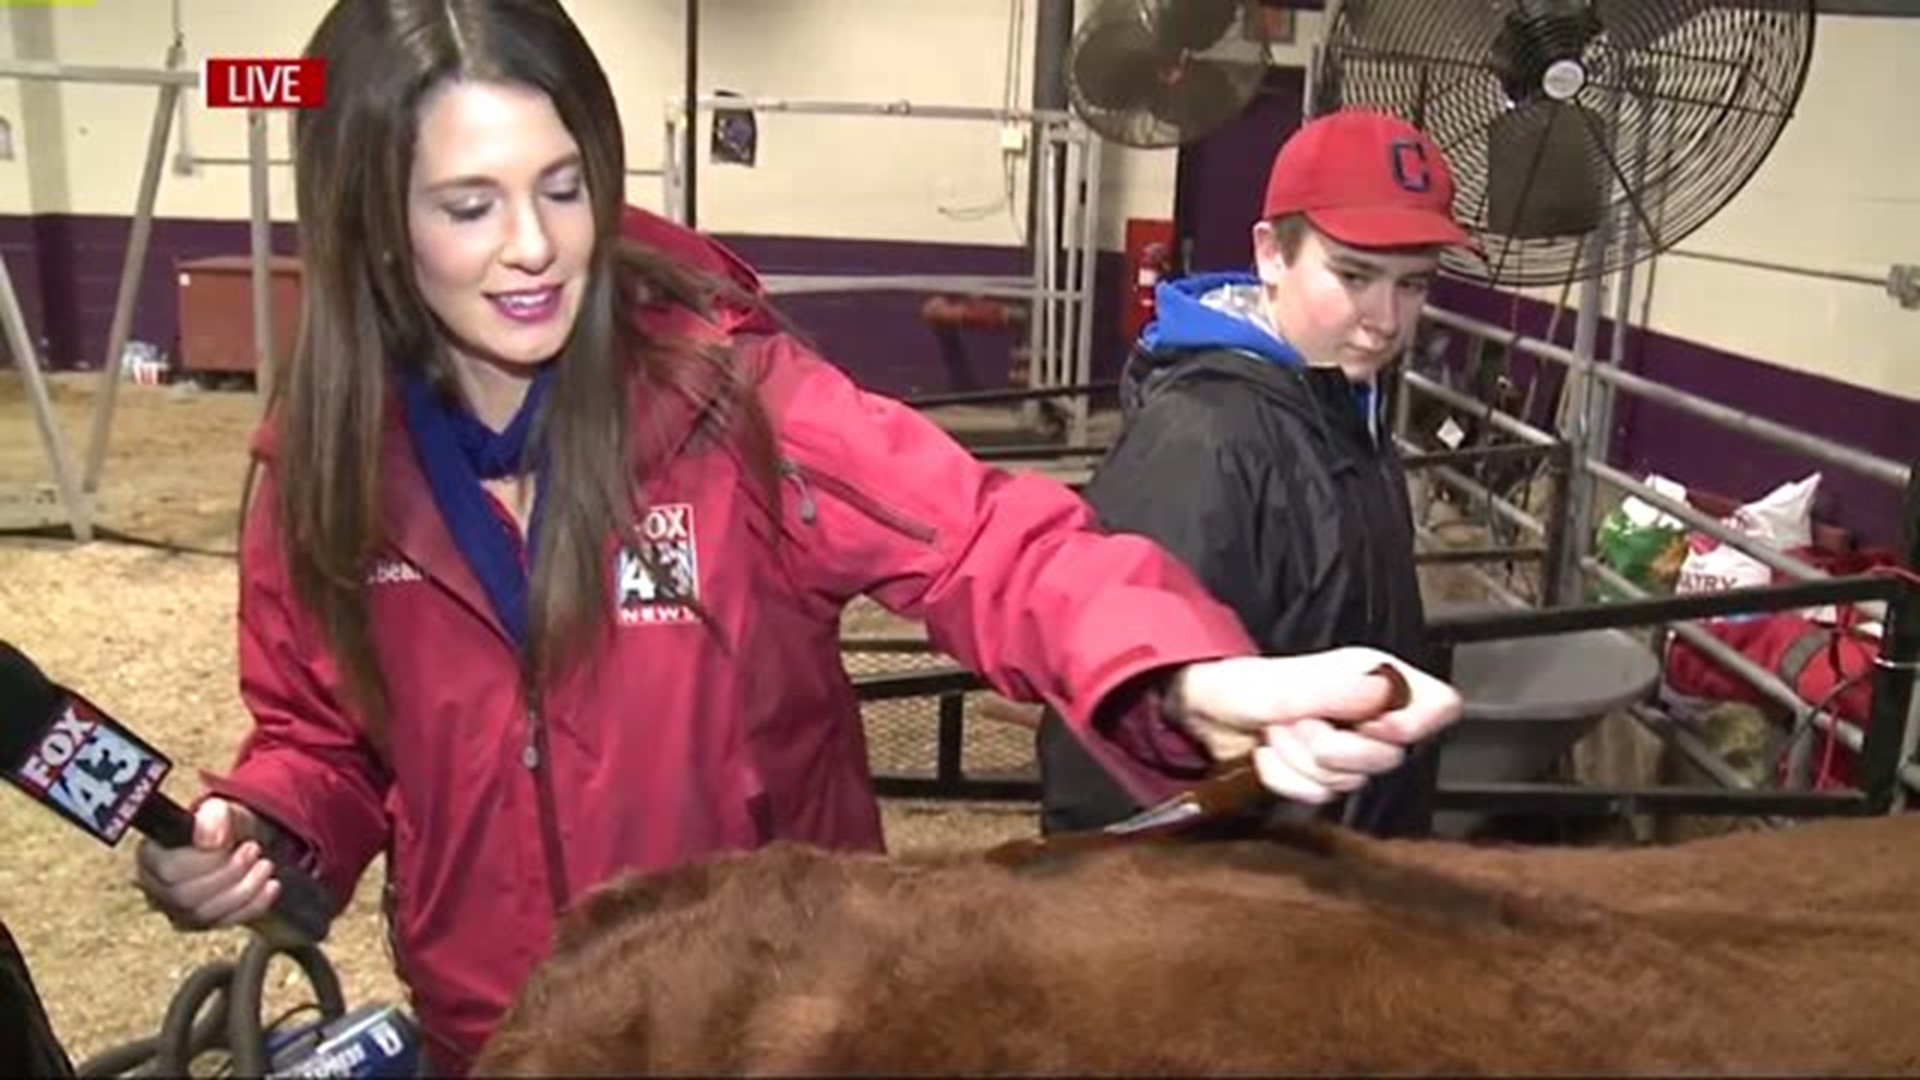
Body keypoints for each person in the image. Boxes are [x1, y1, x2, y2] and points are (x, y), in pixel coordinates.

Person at [131, 3, 1463, 1073]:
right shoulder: (322, 474)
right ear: (372, 223)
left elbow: (988, 542)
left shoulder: (730, 403)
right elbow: (329, 738)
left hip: (770, 1025)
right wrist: (263, 827)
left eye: (563, 186)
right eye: (468, 206)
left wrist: (1183, 672)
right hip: (509, 1039)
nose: (534, 248)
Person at [1038, 109, 1479, 840]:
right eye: (1354, 275)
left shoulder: (1344, 403)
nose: (1385, 319)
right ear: (1272, 254)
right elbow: (1106, 749)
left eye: (1413, 285)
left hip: (1334, 868)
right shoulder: (1201, 442)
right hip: (1246, 901)